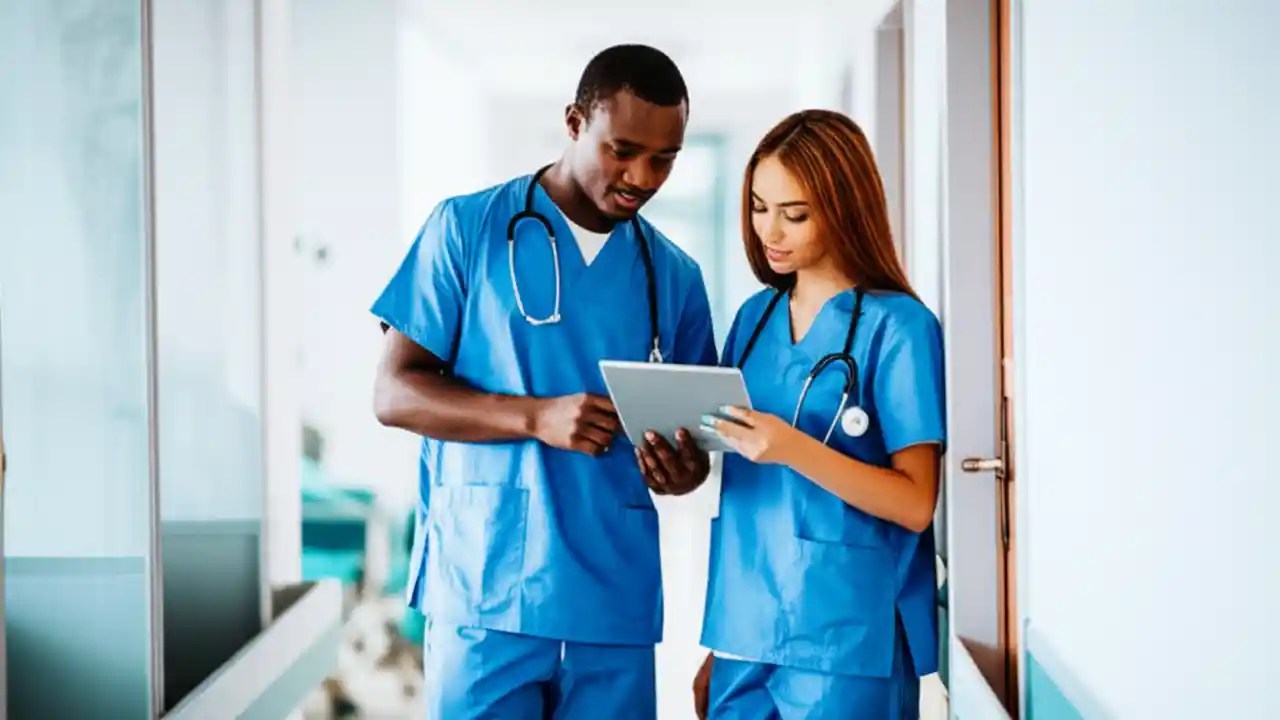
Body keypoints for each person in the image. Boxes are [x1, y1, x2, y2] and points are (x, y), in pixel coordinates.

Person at [370, 44, 718, 719]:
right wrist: (533, 417)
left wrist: (681, 470)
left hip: (611, 599)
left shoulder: (673, 276)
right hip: (484, 590)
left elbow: (694, 454)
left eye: (664, 159)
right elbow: (393, 393)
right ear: (574, 121)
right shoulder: (465, 229)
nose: (642, 176)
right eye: (622, 149)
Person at [692, 110, 946, 719]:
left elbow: (915, 503)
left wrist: (791, 447)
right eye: (758, 207)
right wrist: (720, 644)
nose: (769, 231)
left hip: (849, 638)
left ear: (845, 206)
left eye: (794, 213)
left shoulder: (899, 328)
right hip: (744, 631)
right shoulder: (753, 319)